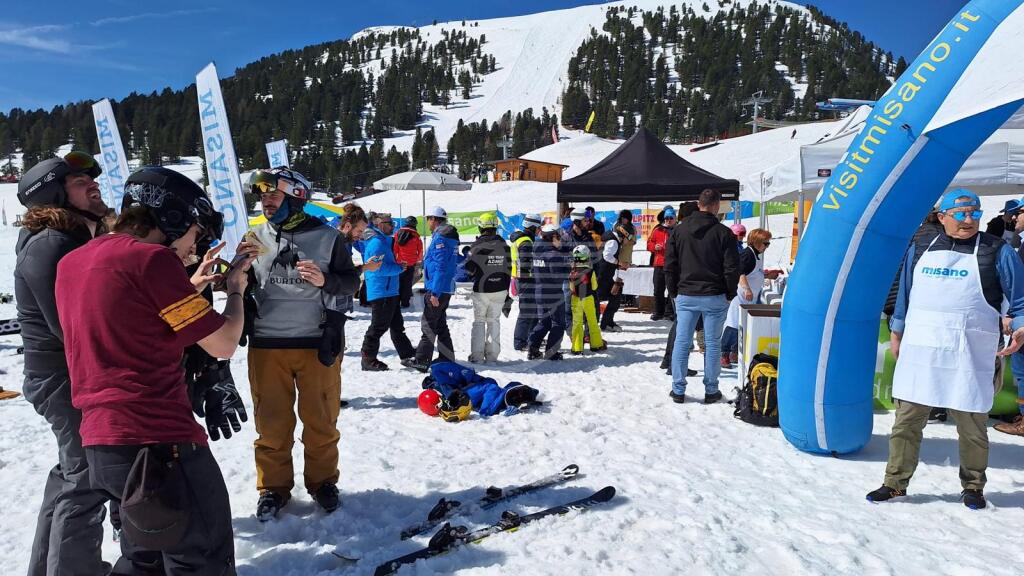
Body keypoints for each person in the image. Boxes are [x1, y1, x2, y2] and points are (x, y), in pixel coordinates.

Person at [56, 166, 249, 575]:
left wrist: (187, 287)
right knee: (201, 560)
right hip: (161, 444)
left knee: (142, 561)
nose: (192, 248)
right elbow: (224, 342)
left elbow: (132, 320)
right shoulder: (152, 260)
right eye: (194, 234)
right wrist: (235, 291)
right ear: (172, 218)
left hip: (103, 446)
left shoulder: (73, 264)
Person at [866, 189, 1024, 510]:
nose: (969, 220)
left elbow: (1019, 300)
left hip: (970, 354)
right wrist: (897, 330)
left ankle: (973, 487)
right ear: (942, 217)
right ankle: (895, 483)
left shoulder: (998, 251)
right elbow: (905, 296)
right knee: (906, 422)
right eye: (961, 214)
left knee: (973, 428)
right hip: (921, 351)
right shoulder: (922, 246)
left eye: (975, 214)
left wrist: (1020, 324)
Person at [244, 167, 359, 520]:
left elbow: (351, 282)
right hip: (266, 345)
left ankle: (323, 482)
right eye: (262, 197)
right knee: (272, 423)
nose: (266, 202)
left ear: (296, 198)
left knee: (321, 419)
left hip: (316, 344)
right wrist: (227, 278)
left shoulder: (328, 237)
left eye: (273, 196)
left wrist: (327, 280)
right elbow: (244, 285)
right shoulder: (255, 236)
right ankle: (273, 489)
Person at [17, 153, 111, 576]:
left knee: (72, 474)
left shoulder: (69, 239)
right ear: (55, 194)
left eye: (92, 179)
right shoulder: (53, 244)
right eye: (78, 181)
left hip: (63, 374)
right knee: (88, 480)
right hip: (63, 377)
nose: (92, 185)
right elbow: (71, 325)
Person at [664, 189, 739, 404]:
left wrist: (674, 292)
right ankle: (711, 389)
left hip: (686, 293)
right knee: (713, 343)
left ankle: (678, 389)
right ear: (715, 206)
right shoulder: (724, 233)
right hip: (714, 295)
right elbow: (732, 267)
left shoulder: (679, 230)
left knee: (682, 341)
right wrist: (730, 293)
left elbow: (670, 265)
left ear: (699, 204)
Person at [361, 212, 417, 371]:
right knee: (378, 327)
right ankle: (368, 358)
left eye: (392, 223)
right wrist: (399, 268)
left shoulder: (384, 241)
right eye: (389, 223)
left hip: (389, 290)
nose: (393, 226)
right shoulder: (376, 243)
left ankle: (407, 354)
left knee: (397, 326)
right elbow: (377, 269)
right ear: (379, 224)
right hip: (381, 291)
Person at [413, 206, 461, 370]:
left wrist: (434, 292)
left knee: (428, 323)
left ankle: (422, 360)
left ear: (434, 219)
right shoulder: (449, 237)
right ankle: (447, 357)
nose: (427, 222)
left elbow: (440, 267)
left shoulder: (441, 238)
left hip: (438, 288)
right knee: (440, 324)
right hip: (445, 287)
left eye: (428, 219)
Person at [465, 213, 511, 363]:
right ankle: (492, 356)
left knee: (479, 321)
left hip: (482, 289)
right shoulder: (504, 244)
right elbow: (508, 268)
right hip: (500, 288)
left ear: (480, 227)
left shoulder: (477, 246)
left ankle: (477, 357)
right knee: (494, 321)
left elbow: (468, 268)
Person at [722, 228, 772, 367]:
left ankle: (733, 352)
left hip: (749, 299)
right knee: (733, 326)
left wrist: (767, 275)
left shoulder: (755, 255)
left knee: (742, 326)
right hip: (741, 297)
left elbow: (753, 273)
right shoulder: (747, 254)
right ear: (756, 242)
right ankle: (723, 353)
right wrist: (747, 289)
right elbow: (740, 272)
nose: (767, 246)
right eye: (765, 243)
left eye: (768, 243)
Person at [528, 224, 569, 360]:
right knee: (558, 323)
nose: (560, 239)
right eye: (558, 236)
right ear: (553, 237)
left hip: (539, 291)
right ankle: (551, 352)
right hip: (553, 293)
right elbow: (558, 278)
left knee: (544, 322)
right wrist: (567, 269)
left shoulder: (537, 251)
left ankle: (533, 348)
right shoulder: (554, 255)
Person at [597, 210, 635, 332]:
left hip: (604, 274)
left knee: (615, 295)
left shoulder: (611, 237)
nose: (626, 242)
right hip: (602, 274)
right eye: (627, 239)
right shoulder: (613, 241)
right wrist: (620, 263)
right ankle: (600, 323)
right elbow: (607, 256)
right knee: (606, 297)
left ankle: (606, 322)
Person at [511, 213, 542, 351]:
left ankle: (531, 337)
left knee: (533, 311)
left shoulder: (523, 239)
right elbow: (526, 264)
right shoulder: (526, 242)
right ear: (533, 227)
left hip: (522, 279)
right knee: (526, 312)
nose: (539, 230)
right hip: (526, 280)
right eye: (538, 227)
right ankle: (520, 342)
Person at [568, 245, 606, 355]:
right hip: (588, 298)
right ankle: (596, 345)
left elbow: (571, 288)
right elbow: (594, 286)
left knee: (577, 323)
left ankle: (576, 347)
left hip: (575, 299)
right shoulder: (590, 271)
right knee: (592, 321)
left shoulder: (572, 271)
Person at [648, 207, 676, 321]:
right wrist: (654, 247)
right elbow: (649, 244)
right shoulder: (658, 230)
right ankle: (658, 311)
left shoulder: (677, 230)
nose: (668, 220)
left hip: (672, 264)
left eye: (671, 218)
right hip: (659, 263)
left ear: (675, 218)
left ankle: (669, 312)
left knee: (672, 290)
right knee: (658, 289)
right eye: (667, 218)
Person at [393, 215, 422, 308]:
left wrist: (396, 259)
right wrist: (418, 260)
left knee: (398, 282)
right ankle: (405, 302)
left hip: (400, 263)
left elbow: (395, 248)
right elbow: (420, 250)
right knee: (407, 283)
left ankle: (396, 301)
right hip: (411, 263)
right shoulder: (416, 235)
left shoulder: (398, 233)